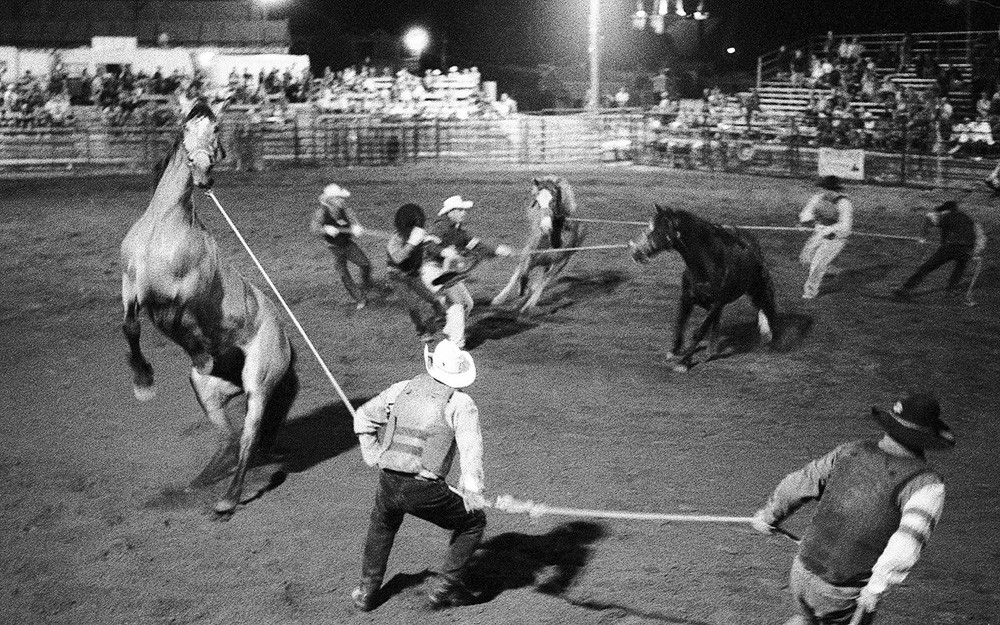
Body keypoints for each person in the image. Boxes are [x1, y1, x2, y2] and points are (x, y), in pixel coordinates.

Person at [752, 392, 955, 625]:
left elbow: (797, 484)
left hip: (801, 571)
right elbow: (908, 542)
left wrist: (769, 517)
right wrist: (876, 589)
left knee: (803, 620)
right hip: (841, 592)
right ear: (927, 437)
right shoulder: (927, 484)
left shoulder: (850, 450)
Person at [351, 339, 488, 612]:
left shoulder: (402, 389)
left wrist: (374, 454)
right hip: (425, 489)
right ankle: (445, 587)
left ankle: (366, 591)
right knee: (473, 522)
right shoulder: (461, 403)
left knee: (382, 524)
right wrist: (472, 491)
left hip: (389, 483)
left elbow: (363, 417)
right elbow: (470, 451)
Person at [422, 195, 513, 348]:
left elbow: (477, 246)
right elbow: (429, 244)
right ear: (450, 212)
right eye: (460, 210)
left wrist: (497, 250)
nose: (464, 213)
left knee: (467, 304)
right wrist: (442, 251)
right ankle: (457, 344)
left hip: (446, 273)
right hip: (432, 270)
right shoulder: (440, 227)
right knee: (456, 305)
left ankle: (449, 331)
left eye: (464, 210)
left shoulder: (460, 232)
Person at [893, 201, 987, 301]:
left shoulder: (945, 216)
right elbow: (981, 236)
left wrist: (923, 237)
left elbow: (929, 216)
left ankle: (905, 289)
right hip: (967, 248)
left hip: (950, 247)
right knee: (959, 268)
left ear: (945, 210)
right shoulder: (969, 218)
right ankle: (951, 291)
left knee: (927, 267)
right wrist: (975, 251)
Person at [386, 203, 447, 341]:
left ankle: (440, 315)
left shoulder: (418, 234)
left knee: (431, 298)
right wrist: (412, 243)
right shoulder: (395, 240)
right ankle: (421, 331)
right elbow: (398, 258)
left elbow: (427, 244)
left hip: (413, 274)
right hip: (398, 277)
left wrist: (430, 239)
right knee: (412, 306)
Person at [311, 183, 373, 309]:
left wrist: (357, 228)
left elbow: (354, 222)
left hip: (348, 244)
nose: (342, 200)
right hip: (334, 248)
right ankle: (360, 298)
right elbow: (314, 228)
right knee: (344, 274)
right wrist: (325, 229)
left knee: (365, 264)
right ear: (330, 200)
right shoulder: (321, 213)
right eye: (338, 198)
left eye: (341, 198)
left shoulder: (346, 210)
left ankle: (366, 284)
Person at [798, 175, 854, 299]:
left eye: (825, 189)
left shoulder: (844, 203)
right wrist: (805, 221)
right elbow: (806, 213)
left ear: (833, 190)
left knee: (817, 265)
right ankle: (828, 268)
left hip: (836, 238)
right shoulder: (818, 198)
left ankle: (810, 292)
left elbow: (845, 226)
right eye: (822, 188)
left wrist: (829, 229)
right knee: (805, 259)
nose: (822, 191)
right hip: (819, 234)